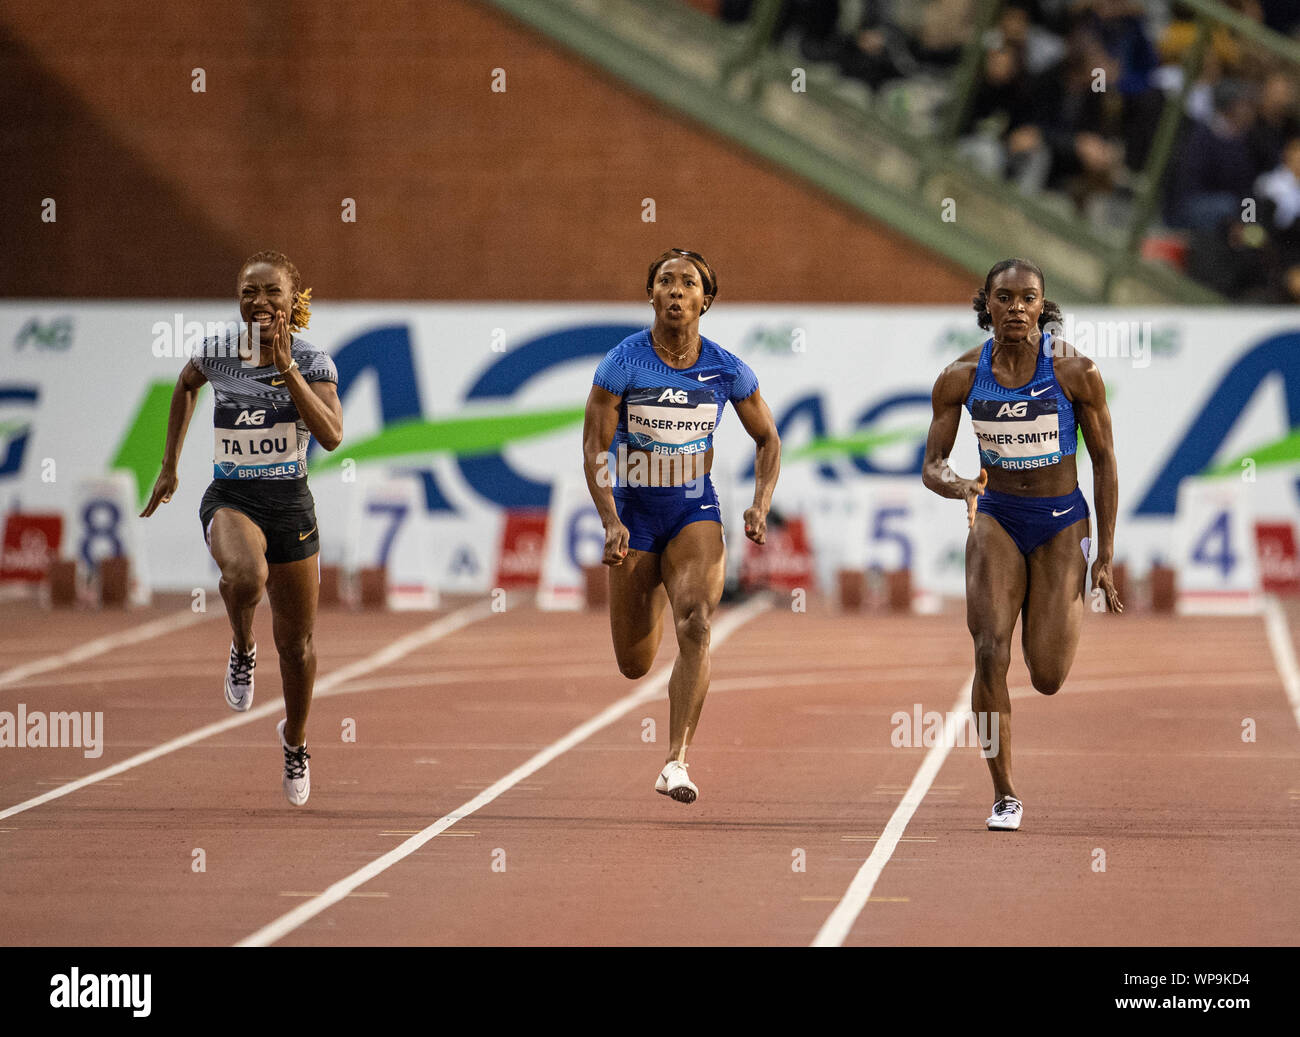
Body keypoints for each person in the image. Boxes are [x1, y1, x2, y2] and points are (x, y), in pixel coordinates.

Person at [921, 258, 1121, 831]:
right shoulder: (960, 376)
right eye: (1003, 298)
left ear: (1043, 305)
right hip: (997, 518)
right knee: (988, 651)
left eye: (1027, 298)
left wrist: (1104, 551)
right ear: (986, 305)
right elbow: (932, 465)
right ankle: (1004, 792)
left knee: (1047, 677)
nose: (1015, 308)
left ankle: (1050, 607)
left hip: (1061, 523)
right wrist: (959, 485)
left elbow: (1105, 464)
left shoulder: (1074, 372)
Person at [140, 251, 343, 806]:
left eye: (270, 291)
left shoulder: (313, 360)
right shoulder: (217, 352)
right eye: (249, 291)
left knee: (297, 646)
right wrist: (168, 465)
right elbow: (184, 386)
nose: (258, 301)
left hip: (290, 505)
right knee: (244, 575)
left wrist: (287, 371)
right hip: (232, 496)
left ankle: (295, 741)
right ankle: (241, 645)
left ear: (290, 298)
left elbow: (331, 436)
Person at [582, 248, 780, 804]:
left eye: (687, 283)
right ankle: (647, 608)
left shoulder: (727, 368)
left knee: (695, 621)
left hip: (695, 505)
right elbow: (594, 446)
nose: (674, 290)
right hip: (635, 508)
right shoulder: (622, 363)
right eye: (664, 281)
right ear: (651, 294)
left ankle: (676, 761)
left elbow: (768, 439)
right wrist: (610, 520)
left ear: (704, 301)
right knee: (633, 663)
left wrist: (761, 504)